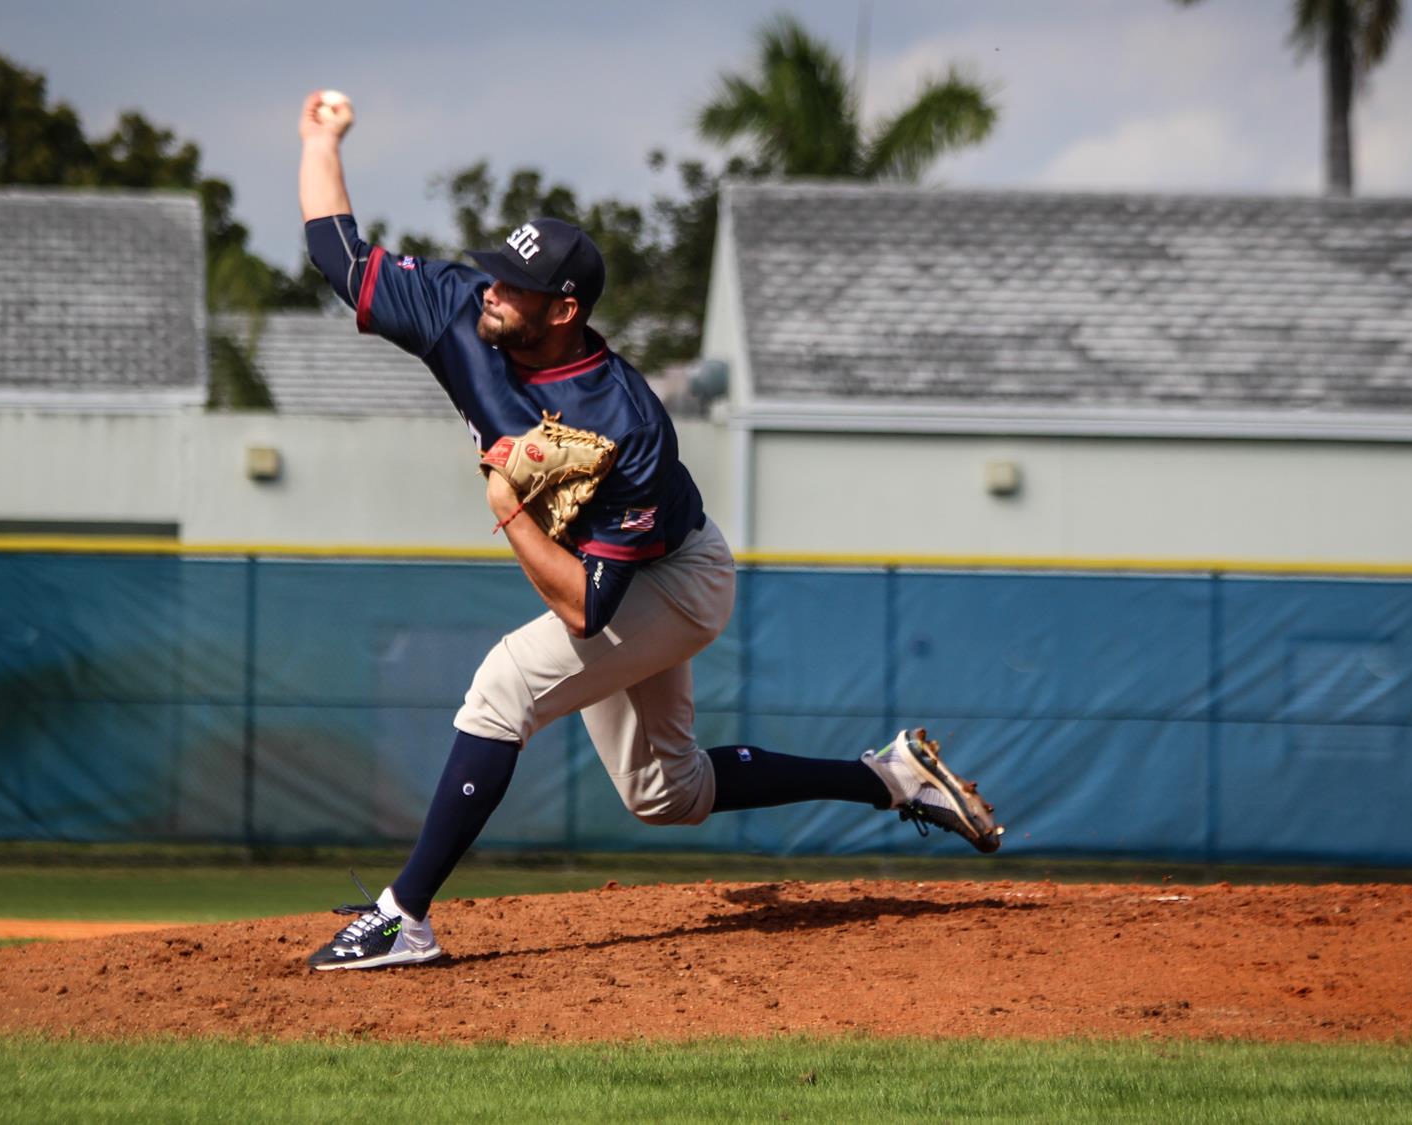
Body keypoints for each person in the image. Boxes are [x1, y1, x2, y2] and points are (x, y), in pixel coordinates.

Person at [295, 89, 1000, 970]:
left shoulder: (626, 419)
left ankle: (406, 916)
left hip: (673, 579)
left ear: (564, 310)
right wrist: (320, 138)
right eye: (496, 272)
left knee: (502, 688)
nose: (494, 291)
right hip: (619, 577)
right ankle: (890, 775)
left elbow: (590, 610)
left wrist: (510, 508)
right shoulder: (458, 309)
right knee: (666, 791)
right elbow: (337, 253)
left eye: (517, 286)